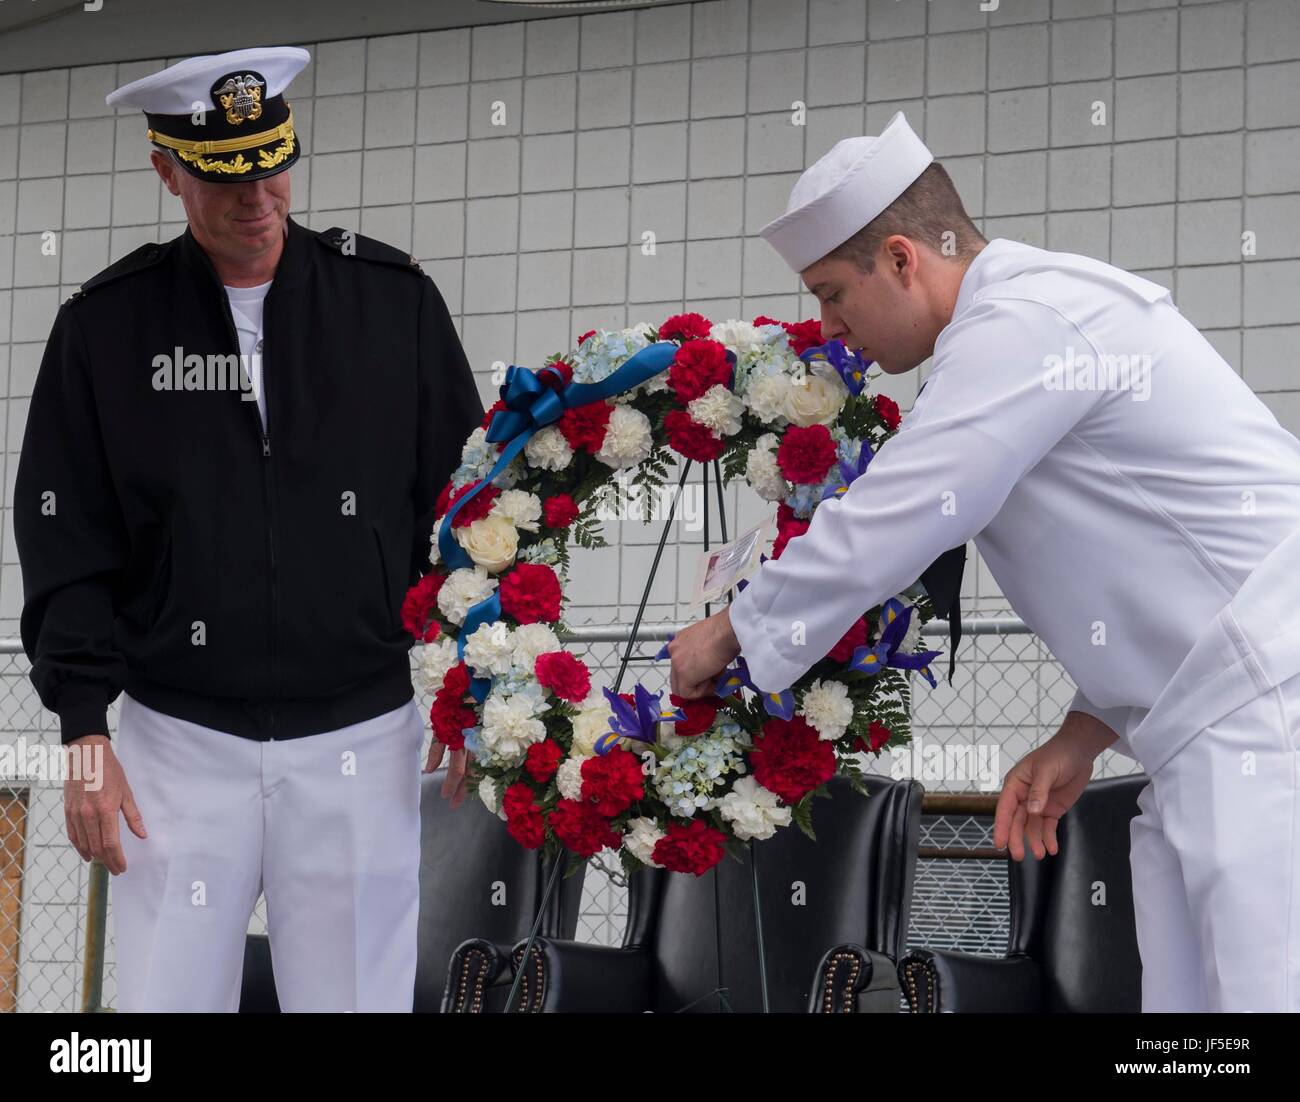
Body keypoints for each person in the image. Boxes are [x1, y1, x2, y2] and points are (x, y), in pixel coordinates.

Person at [667, 111, 1300, 1012]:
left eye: (832, 293)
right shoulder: (1011, 332)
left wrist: (729, 632)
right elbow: (1158, 560)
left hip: (1271, 714)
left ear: (901, 258)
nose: (831, 326)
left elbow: (901, 509)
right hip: (1212, 724)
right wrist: (1087, 731)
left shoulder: (1027, 319)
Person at [14, 46, 485, 1011]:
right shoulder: (105, 328)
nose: (258, 196)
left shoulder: (392, 303)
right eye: (225, 176)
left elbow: (467, 509)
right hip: (178, 743)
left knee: (357, 998)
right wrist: (81, 731)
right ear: (167, 170)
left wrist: (472, 672)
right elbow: (65, 544)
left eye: (274, 163)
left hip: (363, 727)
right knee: (160, 1005)